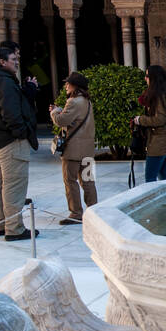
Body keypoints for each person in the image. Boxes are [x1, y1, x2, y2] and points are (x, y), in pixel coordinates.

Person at [0, 41, 39, 240]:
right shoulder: (5, 82)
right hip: (10, 142)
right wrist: (20, 133)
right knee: (13, 185)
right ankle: (15, 229)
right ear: (2, 62)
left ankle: (0, 224)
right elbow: (11, 113)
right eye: (13, 60)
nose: (16, 63)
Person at [49, 73, 98, 224]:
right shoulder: (87, 102)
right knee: (88, 180)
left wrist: (55, 111)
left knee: (70, 180)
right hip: (88, 149)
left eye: (68, 84)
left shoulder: (73, 102)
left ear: (75, 86)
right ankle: (94, 210)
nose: (65, 86)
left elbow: (61, 120)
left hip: (73, 150)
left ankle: (76, 212)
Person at [134, 64, 166, 182]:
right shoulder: (165, 93)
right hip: (162, 139)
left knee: (150, 177)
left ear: (154, 78)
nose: (145, 79)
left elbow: (160, 119)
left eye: (147, 76)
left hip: (159, 141)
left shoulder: (160, 96)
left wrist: (140, 120)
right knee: (162, 173)